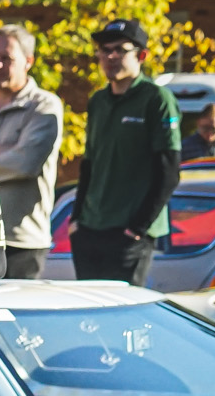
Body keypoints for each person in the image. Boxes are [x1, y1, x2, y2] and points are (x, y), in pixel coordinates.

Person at [74, 19, 180, 286]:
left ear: (141, 55)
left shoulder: (157, 99)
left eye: (120, 50)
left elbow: (169, 171)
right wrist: (76, 220)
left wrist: (138, 228)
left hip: (128, 233)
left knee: (121, 319)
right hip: (90, 229)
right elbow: (89, 166)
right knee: (89, 317)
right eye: (104, 49)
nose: (110, 56)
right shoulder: (98, 101)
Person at [0, 23, 64, 279]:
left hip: (22, 240)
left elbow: (25, 163)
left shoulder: (45, 105)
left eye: (7, 59)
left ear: (28, 61)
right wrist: (3, 150)